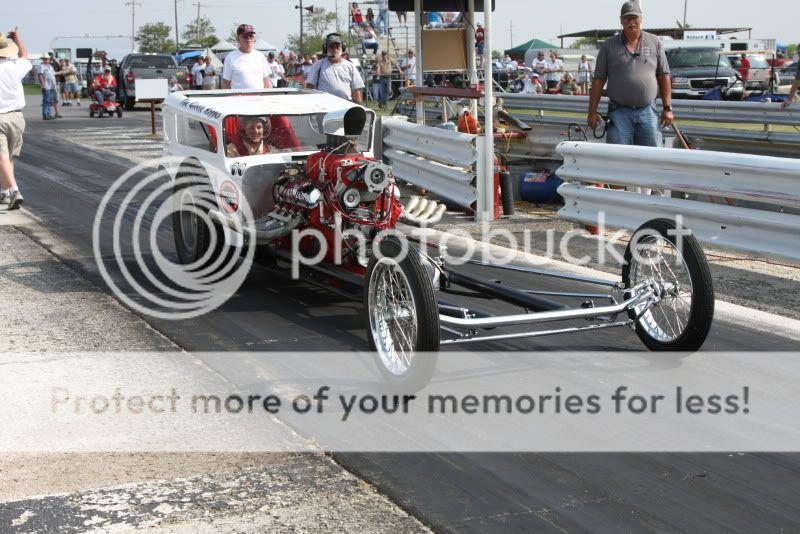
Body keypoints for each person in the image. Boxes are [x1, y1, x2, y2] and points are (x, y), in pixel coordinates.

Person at [587, 1, 672, 148]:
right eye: (627, 18)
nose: (631, 22)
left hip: (648, 112)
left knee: (652, 158)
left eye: (634, 18)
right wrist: (592, 112)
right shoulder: (608, 46)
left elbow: (664, 76)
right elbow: (598, 80)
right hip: (619, 113)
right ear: (621, 20)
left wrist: (667, 108)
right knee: (618, 158)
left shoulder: (654, 42)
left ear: (641, 19)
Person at [0, 28, 29, 210]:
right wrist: (18, 38)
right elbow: (25, 54)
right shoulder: (15, 65)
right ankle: (4, 192)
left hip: (0, 117)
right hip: (18, 117)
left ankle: (13, 189)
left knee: (1, 156)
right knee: (8, 156)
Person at [305, 34, 364, 103]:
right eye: (331, 46)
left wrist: (357, 107)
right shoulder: (318, 65)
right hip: (324, 106)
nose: (335, 49)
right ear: (326, 49)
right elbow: (309, 87)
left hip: (346, 105)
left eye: (337, 46)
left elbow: (356, 89)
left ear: (343, 48)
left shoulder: (350, 66)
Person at [222, 24, 272, 89]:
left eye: (251, 36)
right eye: (245, 36)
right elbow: (226, 83)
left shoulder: (260, 56)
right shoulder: (230, 57)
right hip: (237, 98)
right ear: (237, 39)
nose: (249, 39)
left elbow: (266, 81)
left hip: (259, 98)